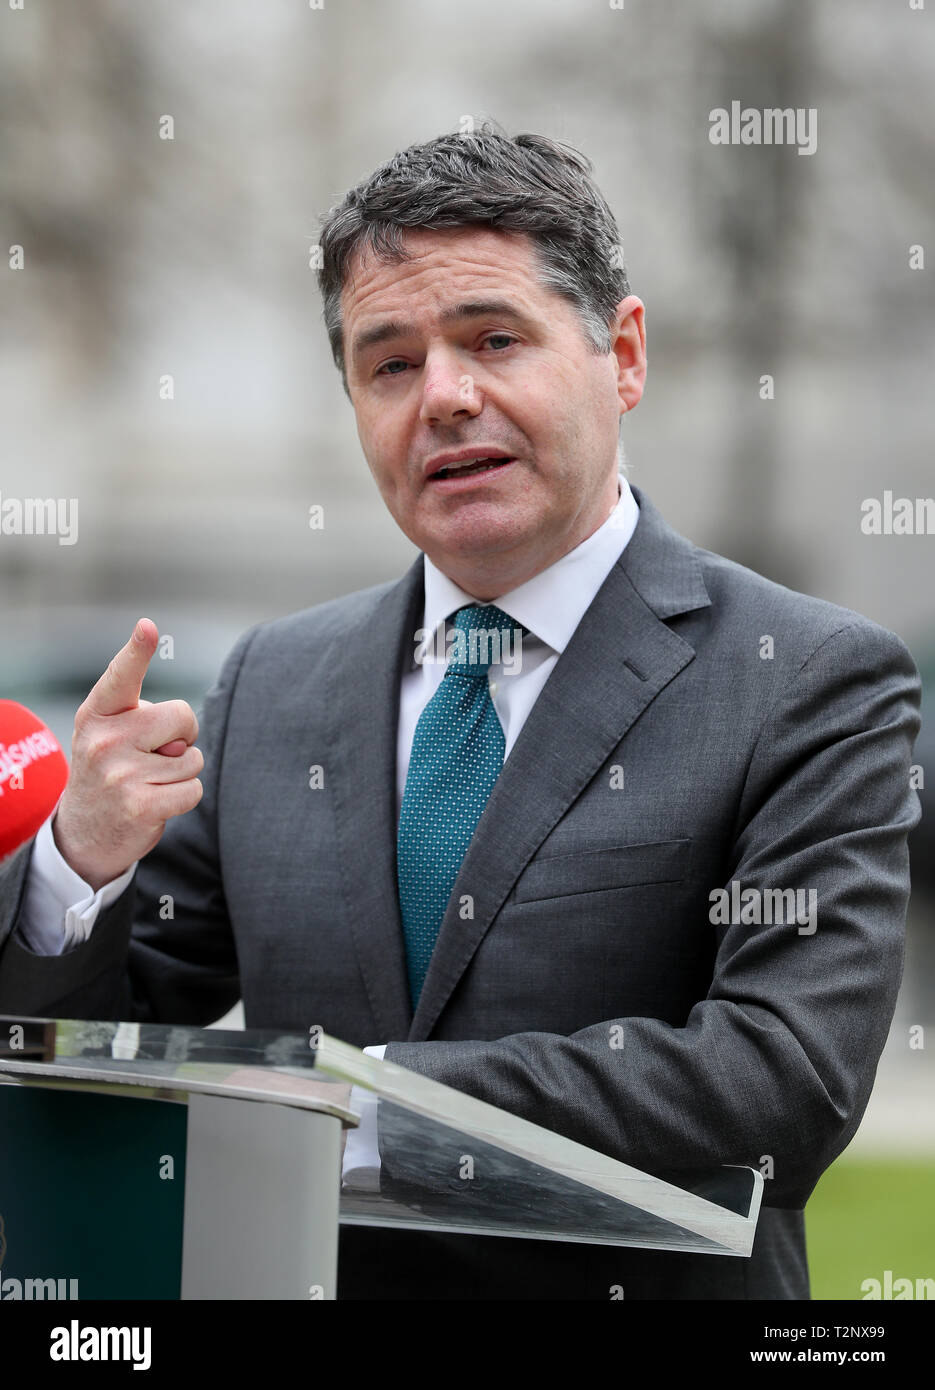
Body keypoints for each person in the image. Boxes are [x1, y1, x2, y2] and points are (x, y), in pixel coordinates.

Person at [0, 124, 921, 1300]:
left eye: (492, 339)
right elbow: (98, 1040)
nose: (443, 396)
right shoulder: (276, 681)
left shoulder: (805, 676)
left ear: (622, 354)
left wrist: (371, 1102)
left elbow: (786, 1078)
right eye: (388, 364)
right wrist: (78, 865)